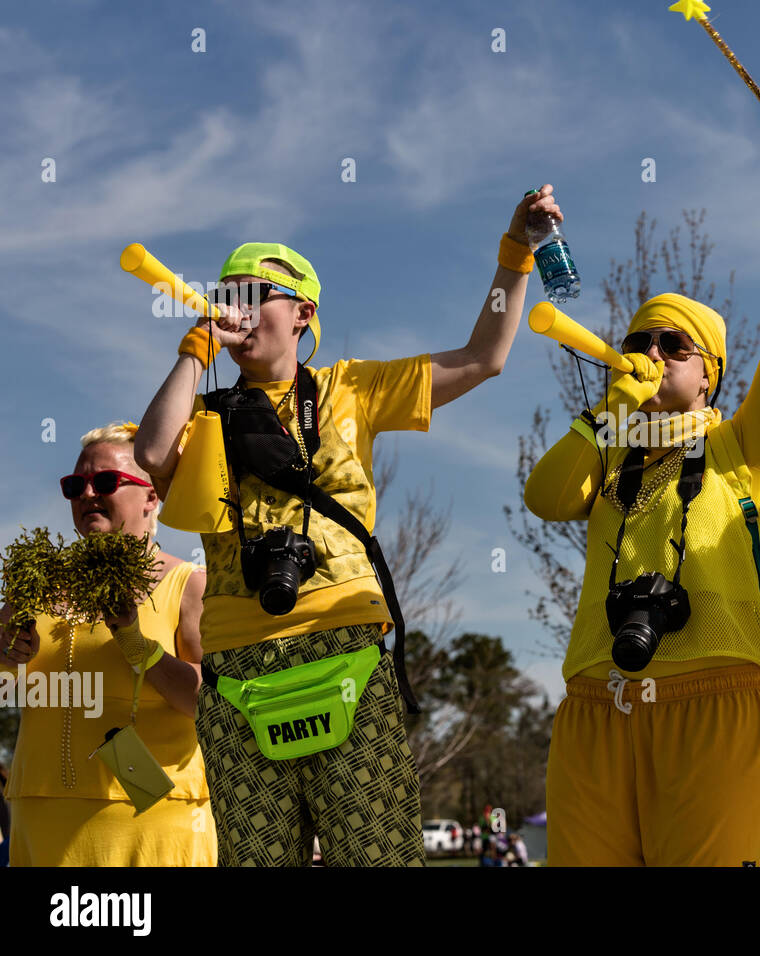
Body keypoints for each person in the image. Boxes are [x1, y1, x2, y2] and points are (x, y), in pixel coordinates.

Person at [134, 187, 562, 866]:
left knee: (377, 857)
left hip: (346, 651)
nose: (234, 308)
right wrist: (192, 351)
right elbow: (152, 455)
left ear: (303, 312)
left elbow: (484, 358)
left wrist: (518, 250)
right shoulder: (205, 410)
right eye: (226, 294)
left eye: (254, 293)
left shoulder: (351, 388)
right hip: (237, 667)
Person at [525, 129, 760, 866]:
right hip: (599, 701)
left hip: (718, 698)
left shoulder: (741, 445)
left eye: (674, 345)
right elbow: (545, 496)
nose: (651, 353)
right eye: (640, 340)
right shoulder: (607, 452)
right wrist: (606, 414)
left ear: (711, 375)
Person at [0, 421, 216, 866]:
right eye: (76, 484)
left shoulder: (189, 585)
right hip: (42, 826)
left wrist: (141, 648)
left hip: (153, 824)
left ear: (151, 496)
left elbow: (212, 701)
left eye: (105, 481)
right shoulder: (36, 585)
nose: (87, 494)